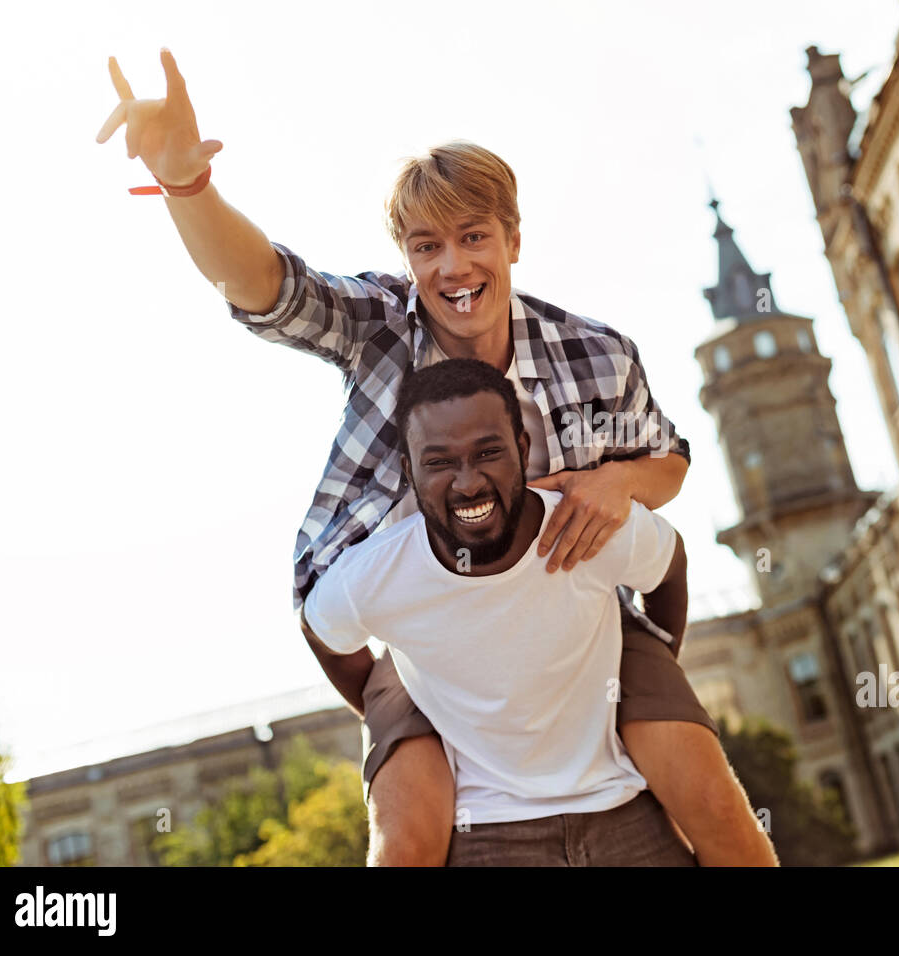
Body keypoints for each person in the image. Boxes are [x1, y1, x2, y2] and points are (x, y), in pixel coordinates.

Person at [96, 48, 778, 866]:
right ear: (407, 257)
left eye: (472, 237)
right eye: (426, 248)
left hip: (571, 611)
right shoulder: (381, 326)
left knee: (715, 802)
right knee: (409, 837)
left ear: (513, 238)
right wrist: (185, 183)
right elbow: (267, 287)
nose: (452, 268)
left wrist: (619, 482)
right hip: (424, 629)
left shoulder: (595, 353)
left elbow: (668, 462)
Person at [307, 358, 713, 865]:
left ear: (523, 449)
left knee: (725, 818)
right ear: (408, 472)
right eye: (438, 463)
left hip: (619, 803)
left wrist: (654, 662)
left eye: (488, 452)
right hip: (487, 825)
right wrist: (386, 705)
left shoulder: (585, 524)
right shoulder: (377, 575)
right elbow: (322, 630)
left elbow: (670, 566)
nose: (467, 482)